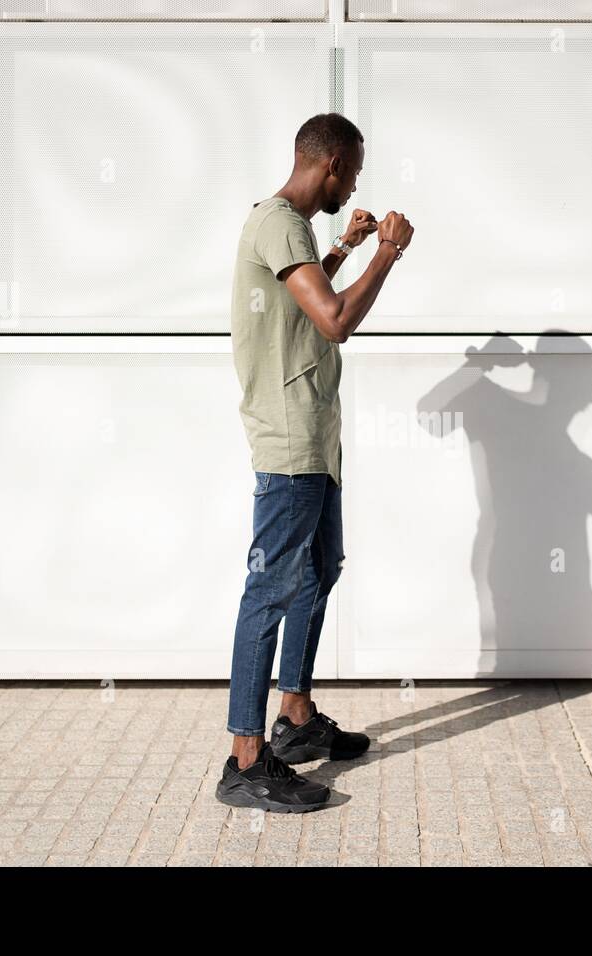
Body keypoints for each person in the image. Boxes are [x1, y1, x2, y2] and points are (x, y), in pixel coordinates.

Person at [218, 112, 414, 813]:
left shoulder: (294, 233)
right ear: (330, 167)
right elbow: (332, 321)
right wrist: (387, 253)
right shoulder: (279, 221)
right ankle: (245, 759)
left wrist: (347, 248)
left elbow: (296, 303)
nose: (354, 185)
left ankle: (295, 718)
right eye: (353, 175)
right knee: (269, 589)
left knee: (319, 569)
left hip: (314, 439)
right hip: (289, 437)